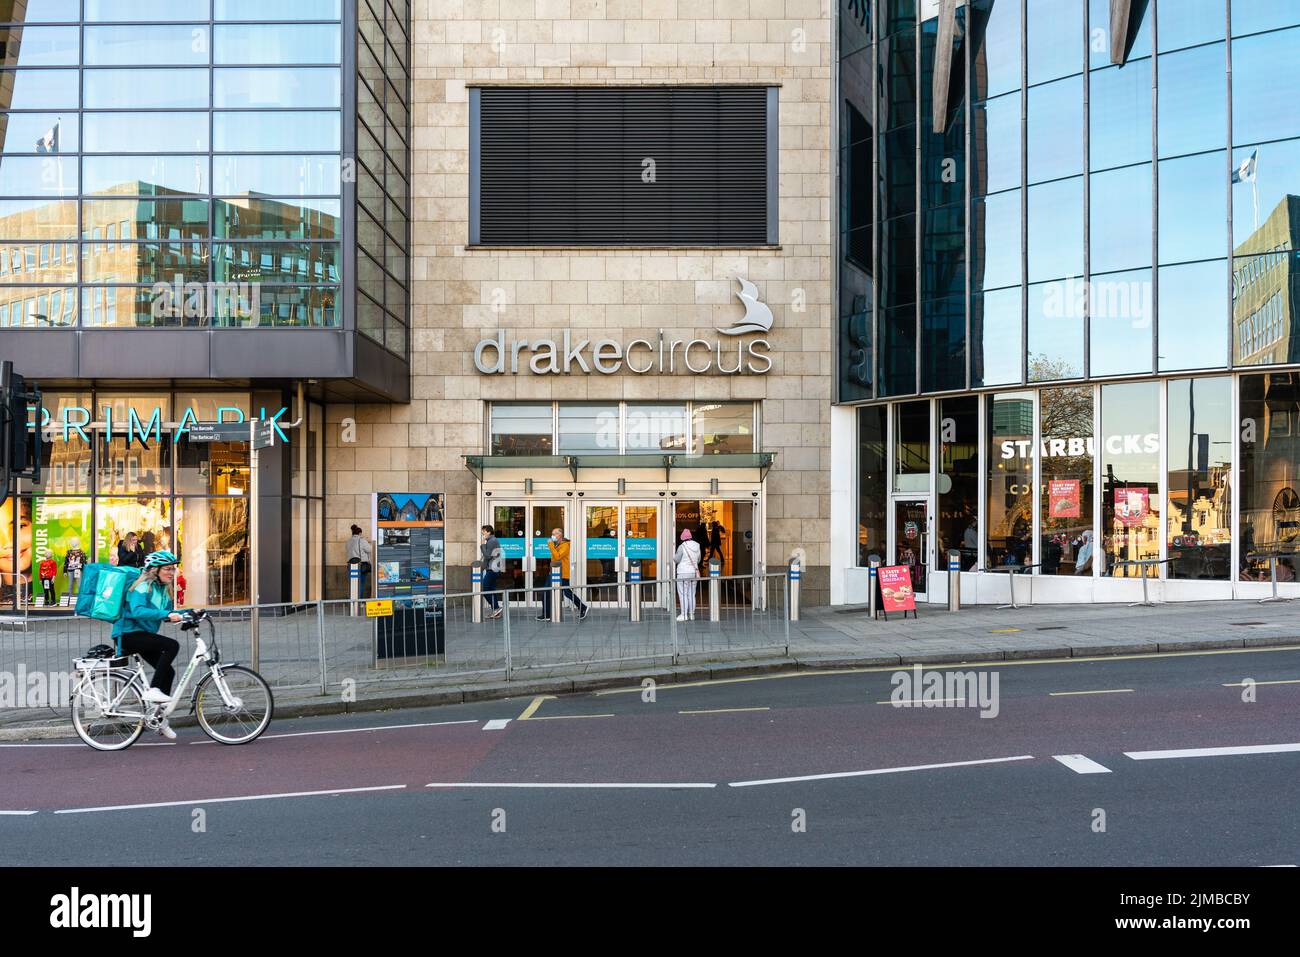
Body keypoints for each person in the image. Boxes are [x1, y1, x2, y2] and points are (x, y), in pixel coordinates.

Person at [111, 550, 185, 740]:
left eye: (173, 569)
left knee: (168, 672)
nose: (172, 572)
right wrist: (166, 615)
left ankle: (158, 718)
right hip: (128, 634)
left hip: (142, 635)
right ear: (155, 570)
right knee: (172, 646)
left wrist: (192, 613)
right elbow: (138, 611)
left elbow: (169, 612)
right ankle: (153, 691)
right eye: (168, 569)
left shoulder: (162, 590)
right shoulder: (143, 586)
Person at [538, 527, 588, 621]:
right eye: (552, 534)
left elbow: (558, 557)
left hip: (562, 573)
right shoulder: (556, 544)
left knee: (567, 592)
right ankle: (546, 614)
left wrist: (550, 545)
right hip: (554, 572)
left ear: (559, 535)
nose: (552, 536)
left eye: (554, 534)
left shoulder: (565, 545)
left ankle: (582, 607)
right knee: (546, 592)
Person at [674, 529, 702, 622]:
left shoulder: (682, 546)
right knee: (691, 594)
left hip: (683, 573)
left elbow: (677, 559)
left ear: (683, 538)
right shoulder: (697, 546)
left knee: (683, 594)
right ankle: (692, 614)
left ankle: (684, 614)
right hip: (694, 572)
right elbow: (698, 560)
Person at [480, 524, 504, 619]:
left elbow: (487, 556)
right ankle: (496, 611)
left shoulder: (491, 541)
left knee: (484, 589)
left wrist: (482, 546)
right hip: (493, 568)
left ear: (489, 532)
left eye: (484, 532)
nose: (483, 534)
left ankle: (496, 608)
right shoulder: (492, 541)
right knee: (491, 589)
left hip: (492, 569)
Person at [346, 524, 372, 597]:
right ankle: (359, 600)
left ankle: (352, 601)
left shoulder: (348, 541)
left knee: (352, 583)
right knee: (361, 583)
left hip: (350, 565)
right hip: (361, 565)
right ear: (360, 533)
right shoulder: (362, 540)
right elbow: (370, 549)